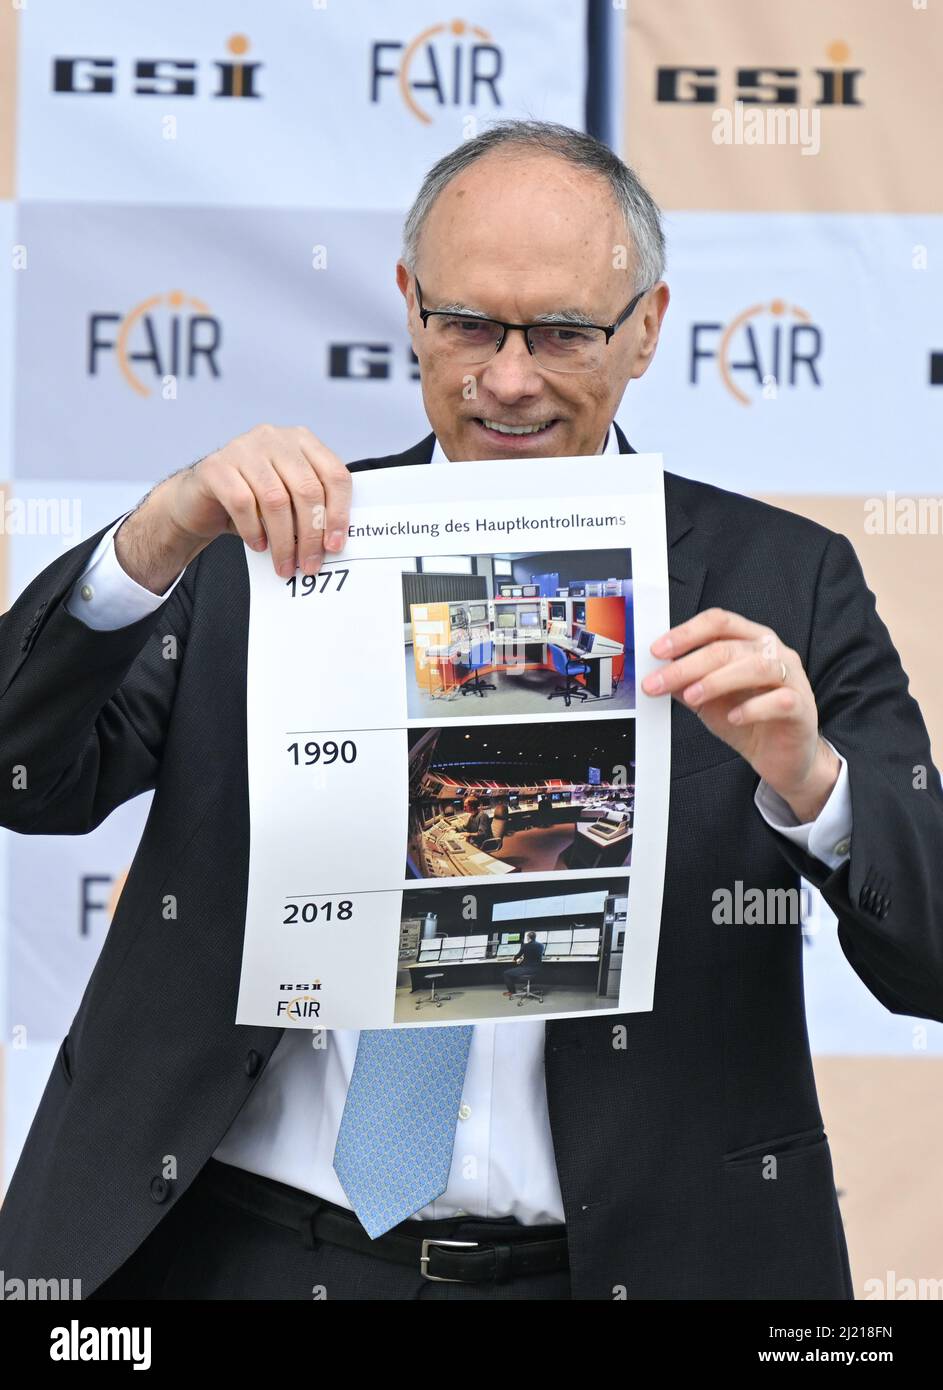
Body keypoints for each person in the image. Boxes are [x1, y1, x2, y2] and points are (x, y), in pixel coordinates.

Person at [0, 120, 941, 1301]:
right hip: (236, 1252)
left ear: (646, 328)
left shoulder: (783, 581)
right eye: (467, 324)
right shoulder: (259, 551)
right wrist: (150, 540)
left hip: (622, 1268)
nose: (507, 376)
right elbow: (24, 776)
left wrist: (817, 786)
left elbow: (932, 958)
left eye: (561, 331)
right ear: (409, 304)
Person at [503, 932, 545, 998]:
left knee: (506, 973)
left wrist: (515, 959)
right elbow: (534, 955)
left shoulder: (525, 946)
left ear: (528, 937)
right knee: (516, 970)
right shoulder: (541, 945)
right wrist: (523, 959)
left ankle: (512, 991)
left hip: (528, 969)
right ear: (535, 937)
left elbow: (517, 956)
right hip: (537, 968)